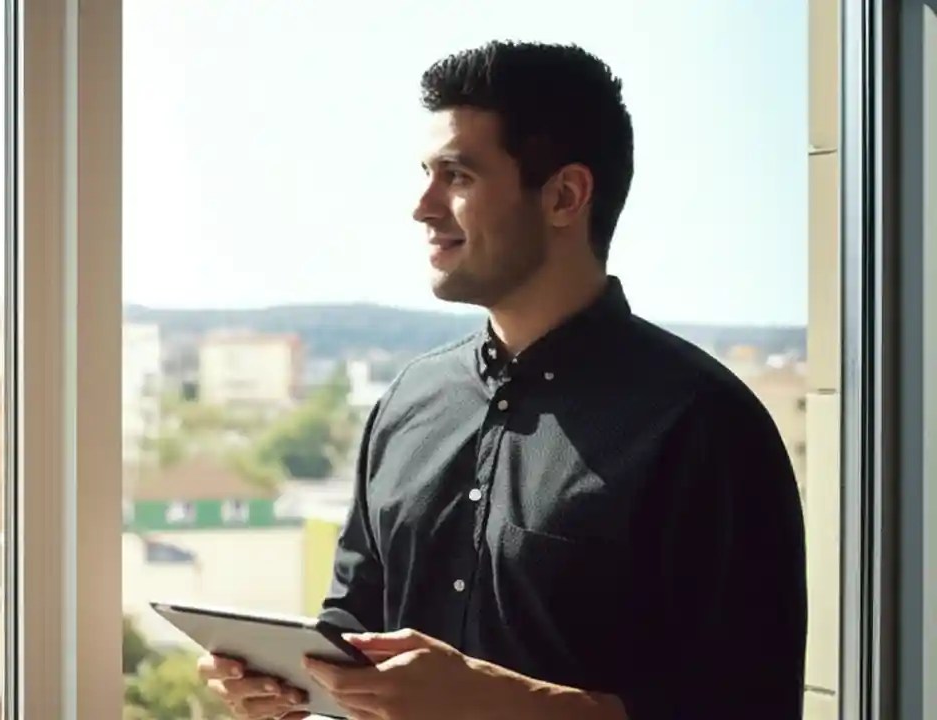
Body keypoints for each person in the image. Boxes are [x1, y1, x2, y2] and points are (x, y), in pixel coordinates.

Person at [198, 39, 807, 720]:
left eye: (457, 176)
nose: (422, 207)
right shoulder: (406, 402)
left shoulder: (703, 425)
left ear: (565, 196)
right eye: (425, 173)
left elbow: (747, 704)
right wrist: (286, 685)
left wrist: (508, 706)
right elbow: (353, 616)